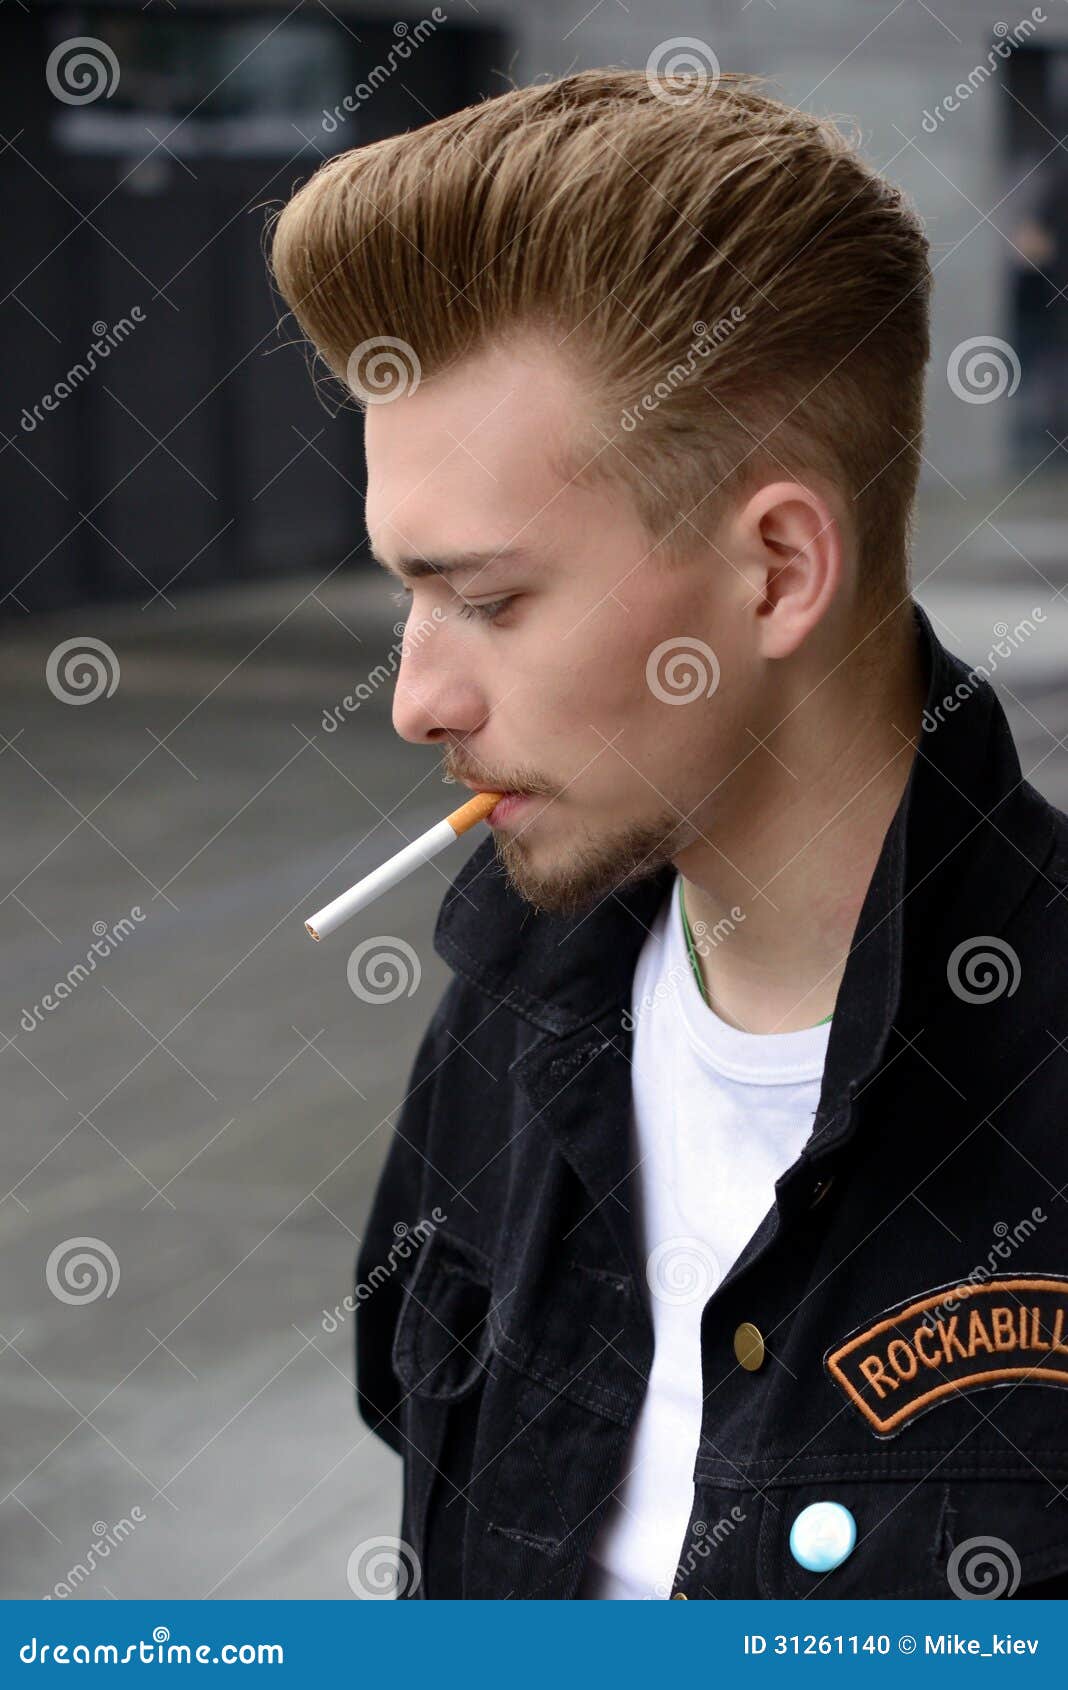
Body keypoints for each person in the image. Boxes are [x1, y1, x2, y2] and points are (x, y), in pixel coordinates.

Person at [270, 67, 1068, 1599]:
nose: (416, 697)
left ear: (774, 572)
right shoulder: (507, 1015)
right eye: (406, 591)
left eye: (490, 600)